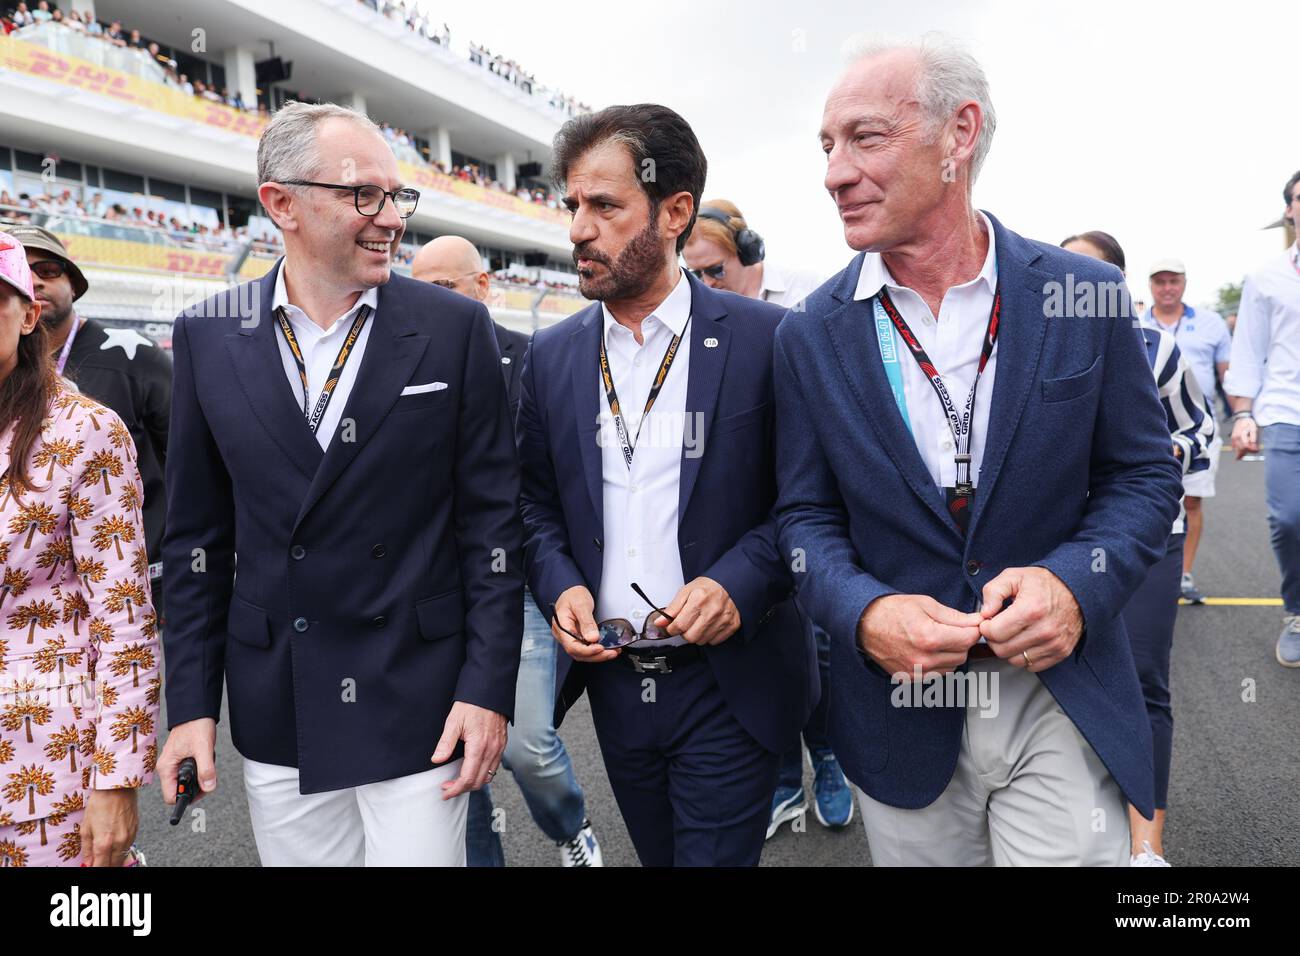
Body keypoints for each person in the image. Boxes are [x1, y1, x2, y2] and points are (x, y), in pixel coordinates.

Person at [776, 34, 1182, 866]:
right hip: (899, 715)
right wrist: (865, 612)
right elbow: (803, 519)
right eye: (826, 145)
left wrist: (1073, 584)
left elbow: (1143, 477)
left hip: (1058, 696)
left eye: (865, 137)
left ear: (959, 134)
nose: (833, 172)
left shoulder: (1084, 295)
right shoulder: (809, 333)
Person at [156, 101, 524, 867]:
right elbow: (196, 538)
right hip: (280, 701)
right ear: (281, 203)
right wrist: (190, 707)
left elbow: (491, 527)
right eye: (364, 195)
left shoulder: (455, 330)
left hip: (420, 694)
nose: (390, 217)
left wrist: (488, 687)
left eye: (397, 196)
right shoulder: (206, 333)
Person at [518, 104, 817, 866]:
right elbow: (533, 504)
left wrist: (739, 582)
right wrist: (559, 587)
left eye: (606, 206)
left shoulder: (769, 342)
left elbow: (811, 502)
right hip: (618, 687)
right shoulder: (550, 357)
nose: (580, 228)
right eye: (574, 206)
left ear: (676, 211)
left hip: (729, 682)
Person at [411, 235, 602, 867]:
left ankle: (570, 825)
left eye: (446, 288)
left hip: (513, 581)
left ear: (483, 287)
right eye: (417, 288)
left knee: (525, 745)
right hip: (428, 587)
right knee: (441, 744)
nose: (427, 303)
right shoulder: (395, 366)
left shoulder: (533, 360)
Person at [681, 198, 848, 835]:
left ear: (749, 255)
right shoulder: (691, 316)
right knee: (757, 638)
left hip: (809, 495)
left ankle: (828, 758)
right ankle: (782, 777)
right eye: (692, 274)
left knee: (822, 647)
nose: (704, 285)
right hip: (743, 496)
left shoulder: (808, 298)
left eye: (716, 270)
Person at [0, 231, 159, 867]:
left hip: (47, 772)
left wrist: (116, 782)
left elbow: (124, 622)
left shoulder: (86, 431)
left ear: (28, 314)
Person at [1062, 229, 1214, 865]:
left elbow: (1197, 428)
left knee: (1145, 679)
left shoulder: (1160, 348)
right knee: (1061, 680)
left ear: (1114, 286)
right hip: (1062, 542)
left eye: (1083, 273)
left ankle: (1146, 844)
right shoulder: (1026, 343)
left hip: (1147, 534)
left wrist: (1163, 455)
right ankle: (1070, 820)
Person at [11, 225, 171, 623]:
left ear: (74, 284)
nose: (34, 280)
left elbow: (192, 463)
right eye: (20, 271)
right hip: (31, 597)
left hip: (137, 587)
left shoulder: (135, 356)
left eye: (48, 269)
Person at [1225, 170, 1300, 667]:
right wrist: (1244, 414)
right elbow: (1247, 352)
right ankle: (1297, 613)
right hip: (1285, 413)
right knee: (1290, 519)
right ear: (1290, 210)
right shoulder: (1266, 279)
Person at [1143, 260, 1231, 605]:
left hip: (1195, 426)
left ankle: (1184, 573)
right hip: (1149, 431)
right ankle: (1149, 570)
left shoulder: (1210, 323)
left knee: (1191, 501)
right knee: (1148, 504)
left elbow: (1227, 372)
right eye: (1160, 281)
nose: (1167, 287)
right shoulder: (1136, 324)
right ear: (1150, 285)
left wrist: (1242, 414)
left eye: (1174, 281)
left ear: (1184, 283)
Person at [682, 199, 824, 308]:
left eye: (715, 269)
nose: (707, 283)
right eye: (697, 274)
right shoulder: (699, 311)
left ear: (745, 250)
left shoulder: (808, 288)